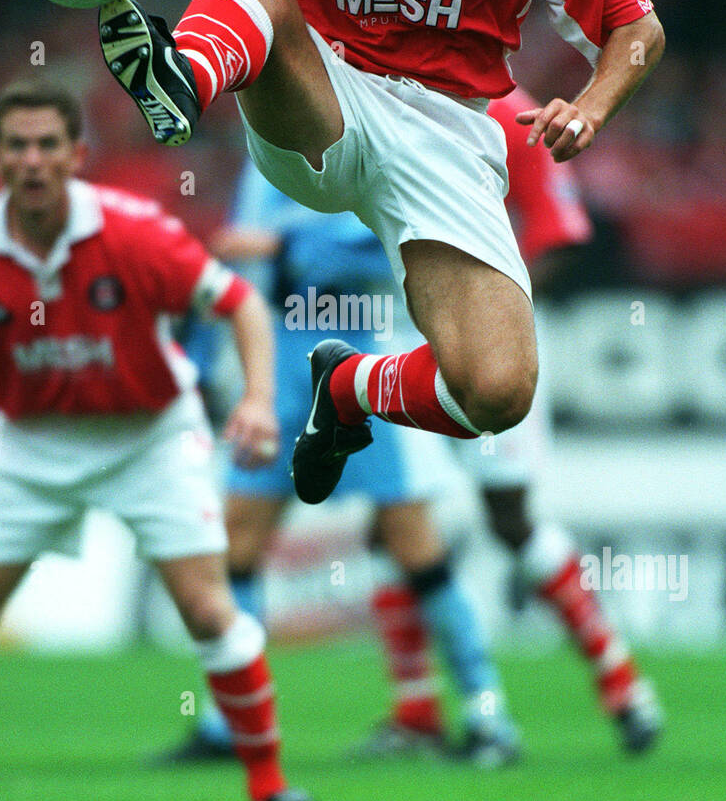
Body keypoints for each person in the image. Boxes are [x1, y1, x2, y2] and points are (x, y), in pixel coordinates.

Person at [96, 0, 664, 512]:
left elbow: (637, 27)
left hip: (449, 134)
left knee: (496, 393)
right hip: (327, 99)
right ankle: (182, 80)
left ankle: (350, 386)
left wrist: (595, 107)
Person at [0, 79, 321, 801]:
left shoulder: (134, 231)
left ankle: (270, 787)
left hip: (149, 437)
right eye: (18, 147)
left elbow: (241, 303)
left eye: (48, 145)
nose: (33, 161)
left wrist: (258, 400)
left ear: (76, 155)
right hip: (32, 443)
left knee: (206, 607)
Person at [152, 160, 521, 769]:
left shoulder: (359, 151)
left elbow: (385, 248)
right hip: (278, 374)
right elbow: (234, 274)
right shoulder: (258, 165)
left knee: (414, 545)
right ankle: (229, 722)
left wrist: (282, 246)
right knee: (237, 545)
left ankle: (489, 714)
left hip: (357, 365)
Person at [370, 88, 663, 751]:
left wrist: (484, 310)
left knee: (510, 520)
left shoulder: (515, 116)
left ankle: (621, 684)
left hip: (496, 349)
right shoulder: (386, 91)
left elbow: (561, 235)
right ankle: (417, 713)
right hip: (399, 339)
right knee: (392, 514)